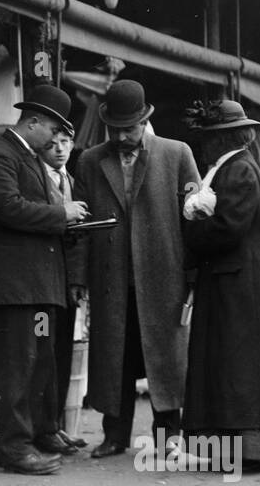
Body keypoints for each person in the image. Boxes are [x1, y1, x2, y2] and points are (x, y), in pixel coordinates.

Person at [69, 79, 200, 459]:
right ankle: (114, 435)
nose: (123, 136)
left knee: (166, 355)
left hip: (165, 275)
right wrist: (78, 277)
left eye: (130, 128)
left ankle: (169, 433)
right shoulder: (91, 160)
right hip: (111, 278)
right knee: (116, 357)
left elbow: (195, 220)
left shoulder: (177, 155)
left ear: (145, 122)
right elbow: (80, 226)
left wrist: (192, 276)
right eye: (115, 129)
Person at [181, 99, 260, 466]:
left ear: (225, 139)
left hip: (239, 277)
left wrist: (191, 227)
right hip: (240, 275)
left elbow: (228, 228)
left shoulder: (237, 170)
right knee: (243, 360)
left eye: (210, 136)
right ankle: (253, 446)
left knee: (240, 362)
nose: (205, 144)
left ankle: (248, 447)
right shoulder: (234, 167)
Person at [0, 84, 88, 475]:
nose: (56, 139)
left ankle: (44, 431)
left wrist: (68, 218)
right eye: (53, 129)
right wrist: (62, 214)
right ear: (33, 121)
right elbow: (9, 208)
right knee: (18, 365)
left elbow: (33, 208)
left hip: (37, 284)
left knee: (41, 361)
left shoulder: (30, 157)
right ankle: (15, 448)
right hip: (15, 286)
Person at [37, 124, 87, 451]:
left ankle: (54, 425)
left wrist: (78, 279)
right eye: (52, 143)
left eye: (65, 142)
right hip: (40, 282)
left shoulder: (71, 180)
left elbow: (79, 237)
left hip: (65, 283)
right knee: (42, 355)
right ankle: (42, 428)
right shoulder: (35, 178)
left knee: (61, 355)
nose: (59, 149)